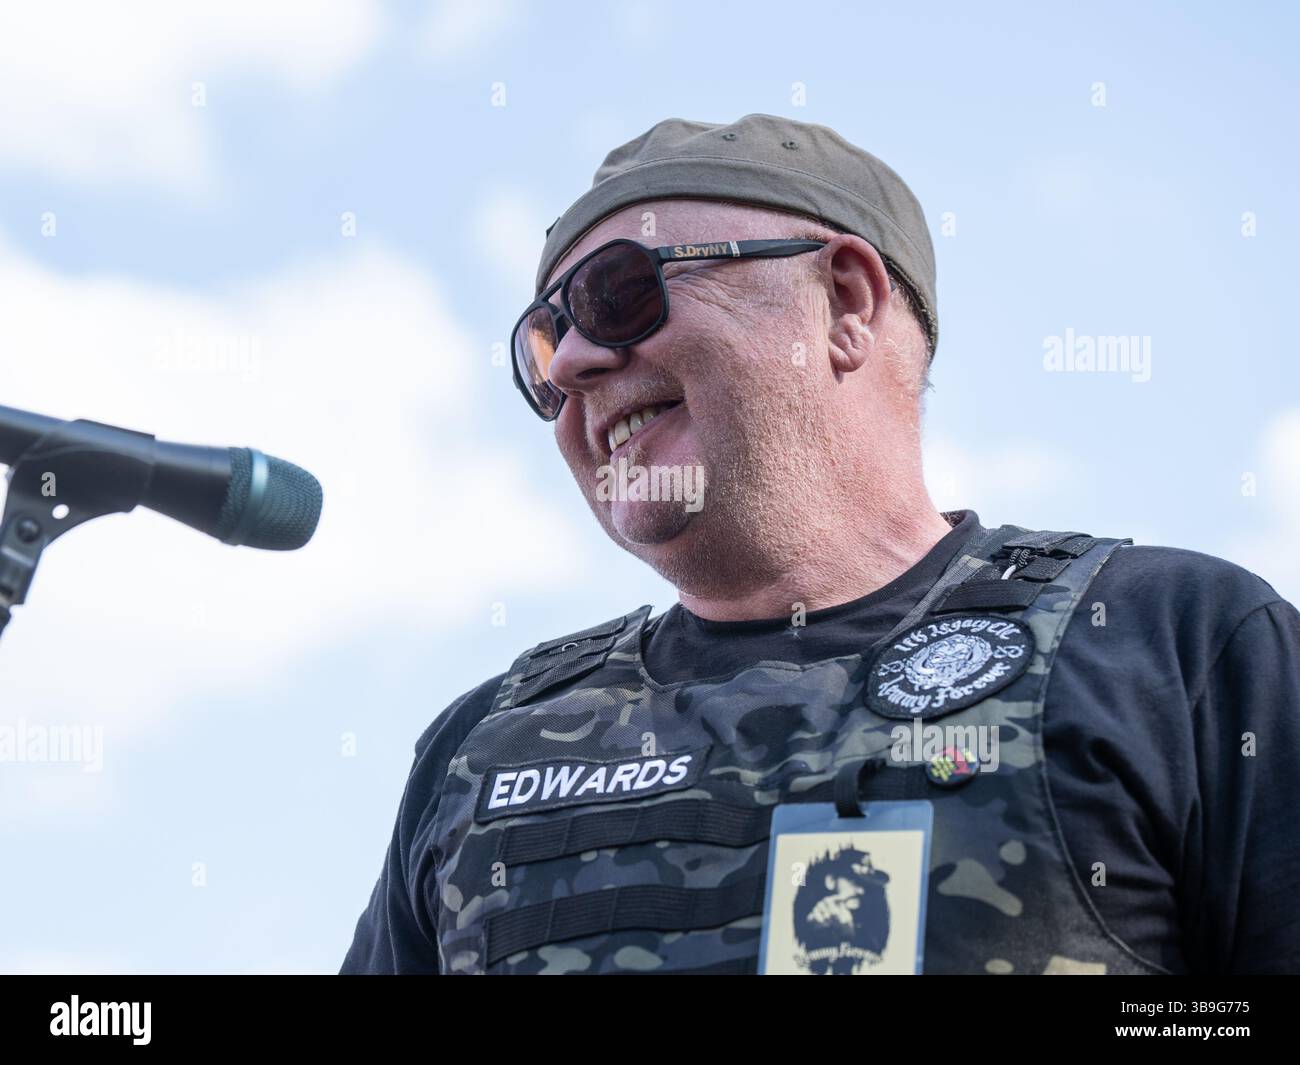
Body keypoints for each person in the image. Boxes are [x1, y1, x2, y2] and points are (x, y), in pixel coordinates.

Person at [341, 114, 1300, 975]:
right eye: (544, 347)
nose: (579, 362)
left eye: (617, 293)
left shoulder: (1175, 648)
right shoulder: (481, 748)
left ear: (844, 304)